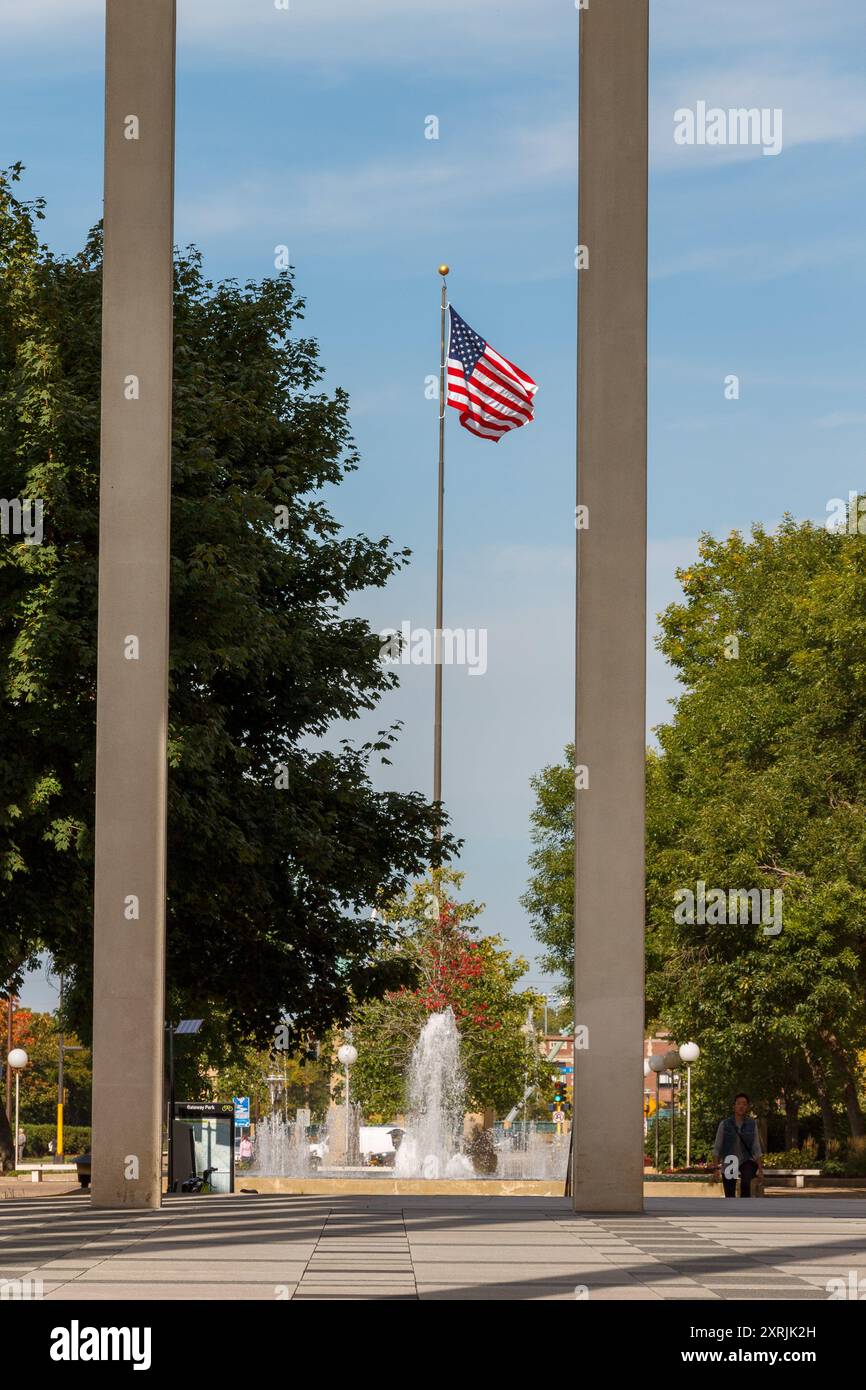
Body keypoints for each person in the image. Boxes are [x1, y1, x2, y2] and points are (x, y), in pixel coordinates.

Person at [713, 1092, 763, 1197]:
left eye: (744, 1104)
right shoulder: (725, 1124)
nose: (741, 1106)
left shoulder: (752, 1124)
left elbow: (756, 1147)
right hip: (730, 1160)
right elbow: (717, 1147)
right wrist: (716, 1169)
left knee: (746, 1183)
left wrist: (760, 1169)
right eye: (739, 1103)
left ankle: (744, 1205)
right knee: (729, 1194)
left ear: (747, 1107)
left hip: (747, 1160)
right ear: (734, 1106)